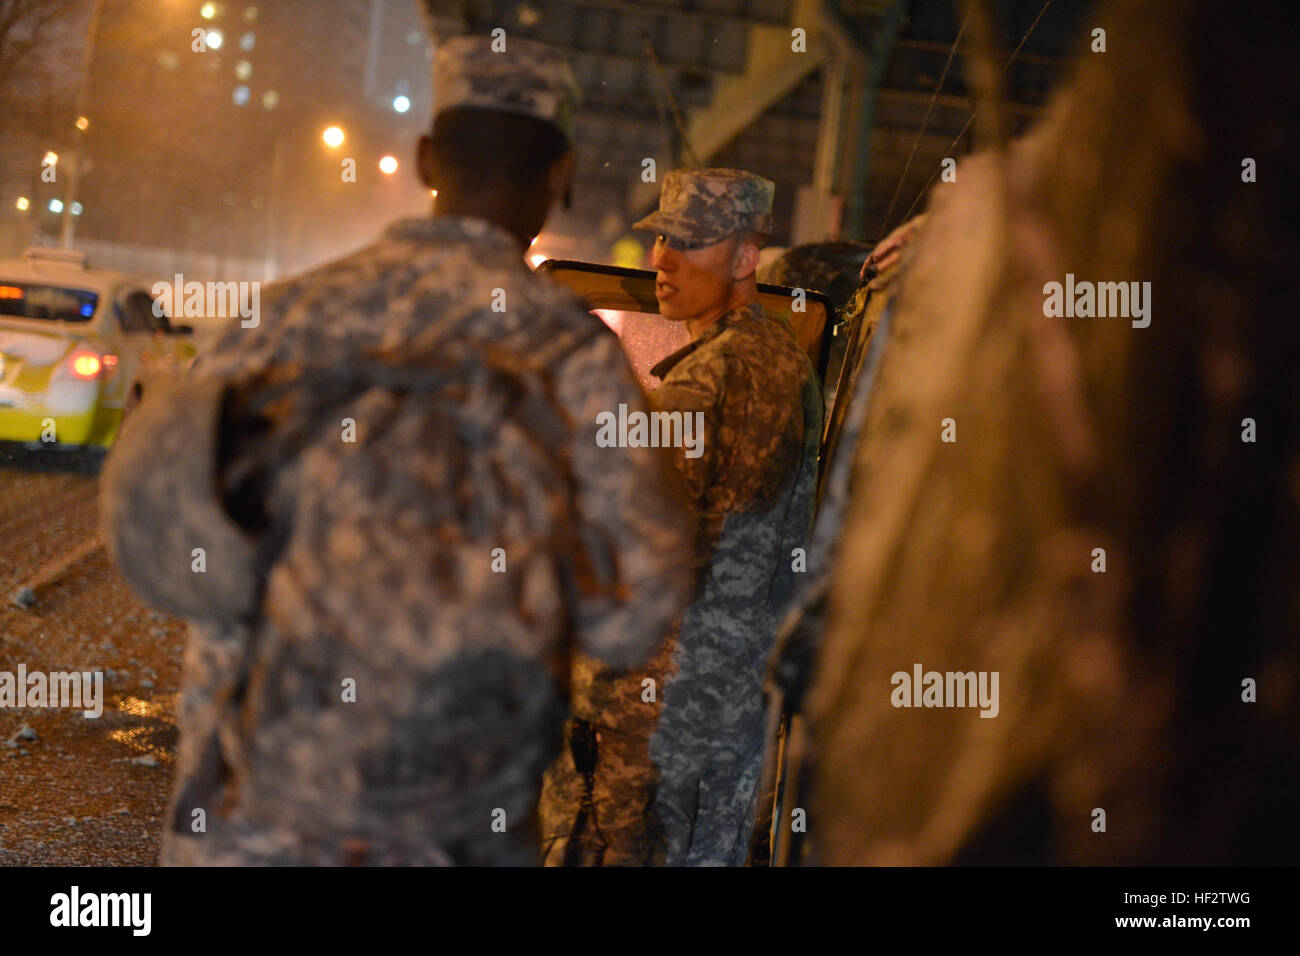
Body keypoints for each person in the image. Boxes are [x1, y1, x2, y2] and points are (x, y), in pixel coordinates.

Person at [99, 34, 694, 866]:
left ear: (424, 160)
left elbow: (174, 541)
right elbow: (636, 613)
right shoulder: (573, 359)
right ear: (560, 174)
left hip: (246, 822)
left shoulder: (283, 319)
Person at [540, 168, 822, 866]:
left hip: (639, 709)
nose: (662, 260)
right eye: (662, 237)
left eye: (688, 243)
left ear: (744, 258)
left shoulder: (702, 380)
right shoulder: (793, 365)